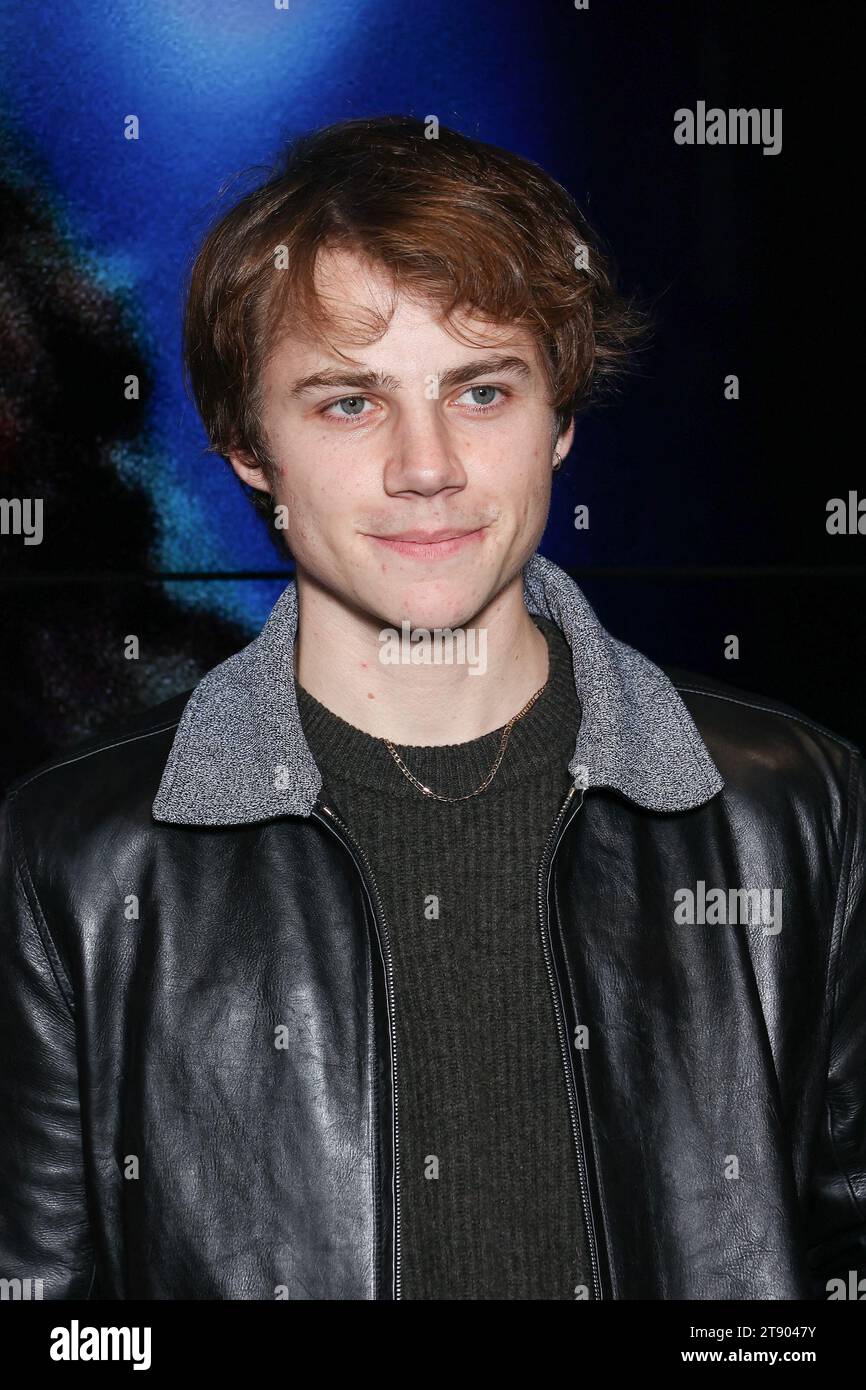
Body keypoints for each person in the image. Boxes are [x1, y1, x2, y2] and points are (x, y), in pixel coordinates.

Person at [1, 115, 863, 1301]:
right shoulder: (74, 855)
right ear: (250, 446)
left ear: (556, 418)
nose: (426, 464)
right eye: (348, 403)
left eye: (481, 389)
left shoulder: (795, 800)